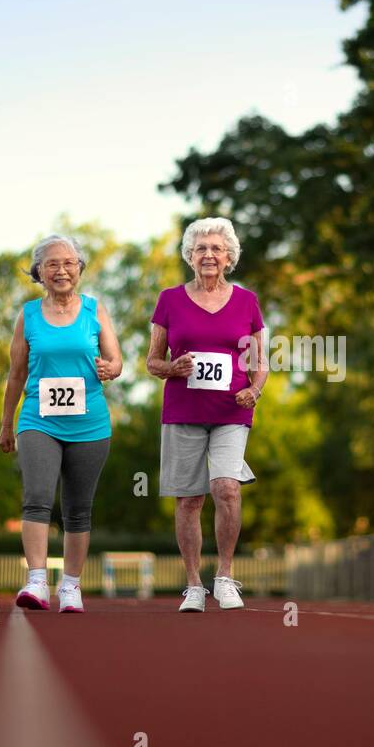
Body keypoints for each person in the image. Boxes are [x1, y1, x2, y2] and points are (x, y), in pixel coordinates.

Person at [147, 217, 267, 613]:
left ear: (229, 256)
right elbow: (152, 361)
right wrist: (172, 368)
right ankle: (194, 584)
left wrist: (254, 389)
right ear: (189, 256)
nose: (209, 255)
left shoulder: (247, 301)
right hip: (183, 410)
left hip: (232, 410)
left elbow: (259, 362)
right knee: (190, 500)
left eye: (216, 248)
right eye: (201, 249)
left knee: (226, 488)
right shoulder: (169, 299)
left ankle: (225, 577)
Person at [0, 235, 122, 612]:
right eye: (52, 264)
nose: (61, 270)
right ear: (39, 272)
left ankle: (70, 586)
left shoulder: (95, 310)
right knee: (36, 497)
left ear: (80, 268)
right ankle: (36, 581)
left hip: (90, 423)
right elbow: (16, 374)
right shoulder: (28, 315)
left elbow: (117, 360)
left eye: (68, 262)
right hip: (39, 419)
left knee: (78, 508)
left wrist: (110, 368)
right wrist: (7, 423)